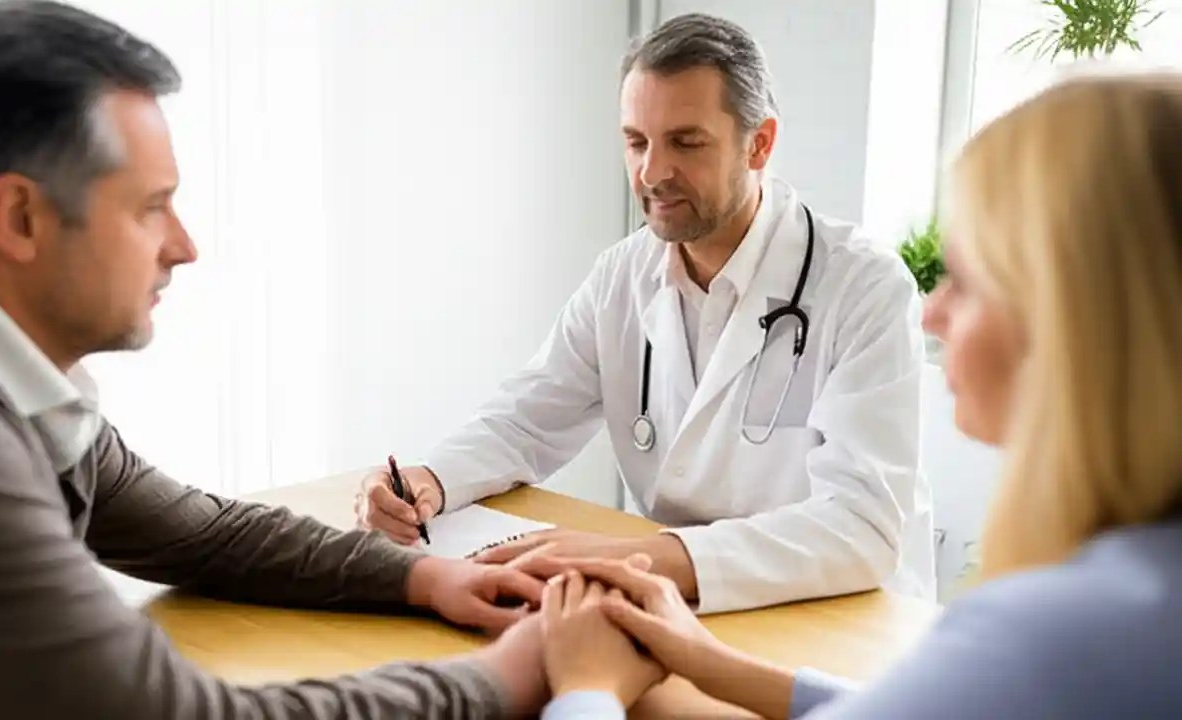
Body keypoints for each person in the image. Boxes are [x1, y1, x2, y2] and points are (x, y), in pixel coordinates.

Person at [0, 3, 548, 718]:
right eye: (151, 207)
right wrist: (513, 675)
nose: (184, 247)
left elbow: (201, 536)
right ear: (19, 218)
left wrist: (426, 577)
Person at [535, 72, 1182, 718]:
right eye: (637, 141)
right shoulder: (1134, 601)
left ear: (1088, 317)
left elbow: (972, 674)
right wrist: (710, 663)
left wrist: (586, 684)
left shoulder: (1058, 636)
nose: (932, 313)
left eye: (969, 276)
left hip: (850, 627)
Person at [358, 12, 934, 614]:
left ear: (759, 143)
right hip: (679, 605)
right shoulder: (623, 275)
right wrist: (430, 480)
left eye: (686, 142)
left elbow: (863, 526)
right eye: (637, 142)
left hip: (844, 624)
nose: (652, 173)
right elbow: (525, 423)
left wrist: (627, 557)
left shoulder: (864, 287)